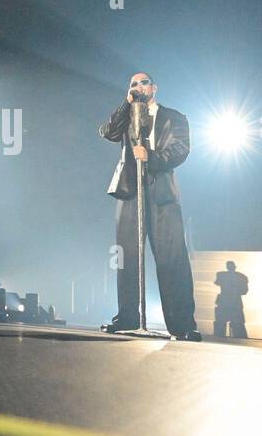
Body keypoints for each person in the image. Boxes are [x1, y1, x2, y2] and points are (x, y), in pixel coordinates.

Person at [98, 72, 199, 339]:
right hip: (130, 191)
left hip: (161, 192)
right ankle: (127, 318)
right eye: (133, 84)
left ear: (154, 87)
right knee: (126, 257)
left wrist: (151, 157)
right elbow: (108, 132)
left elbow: (181, 150)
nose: (138, 87)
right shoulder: (127, 115)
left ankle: (183, 325)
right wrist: (126, 103)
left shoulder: (175, 117)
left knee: (171, 258)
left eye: (143, 82)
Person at [214, 259, 249, 338]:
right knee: (237, 325)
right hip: (234, 302)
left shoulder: (221, 275)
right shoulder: (241, 277)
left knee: (222, 324)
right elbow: (244, 291)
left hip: (225, 302)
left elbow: (217, 282)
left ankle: (219, 337)